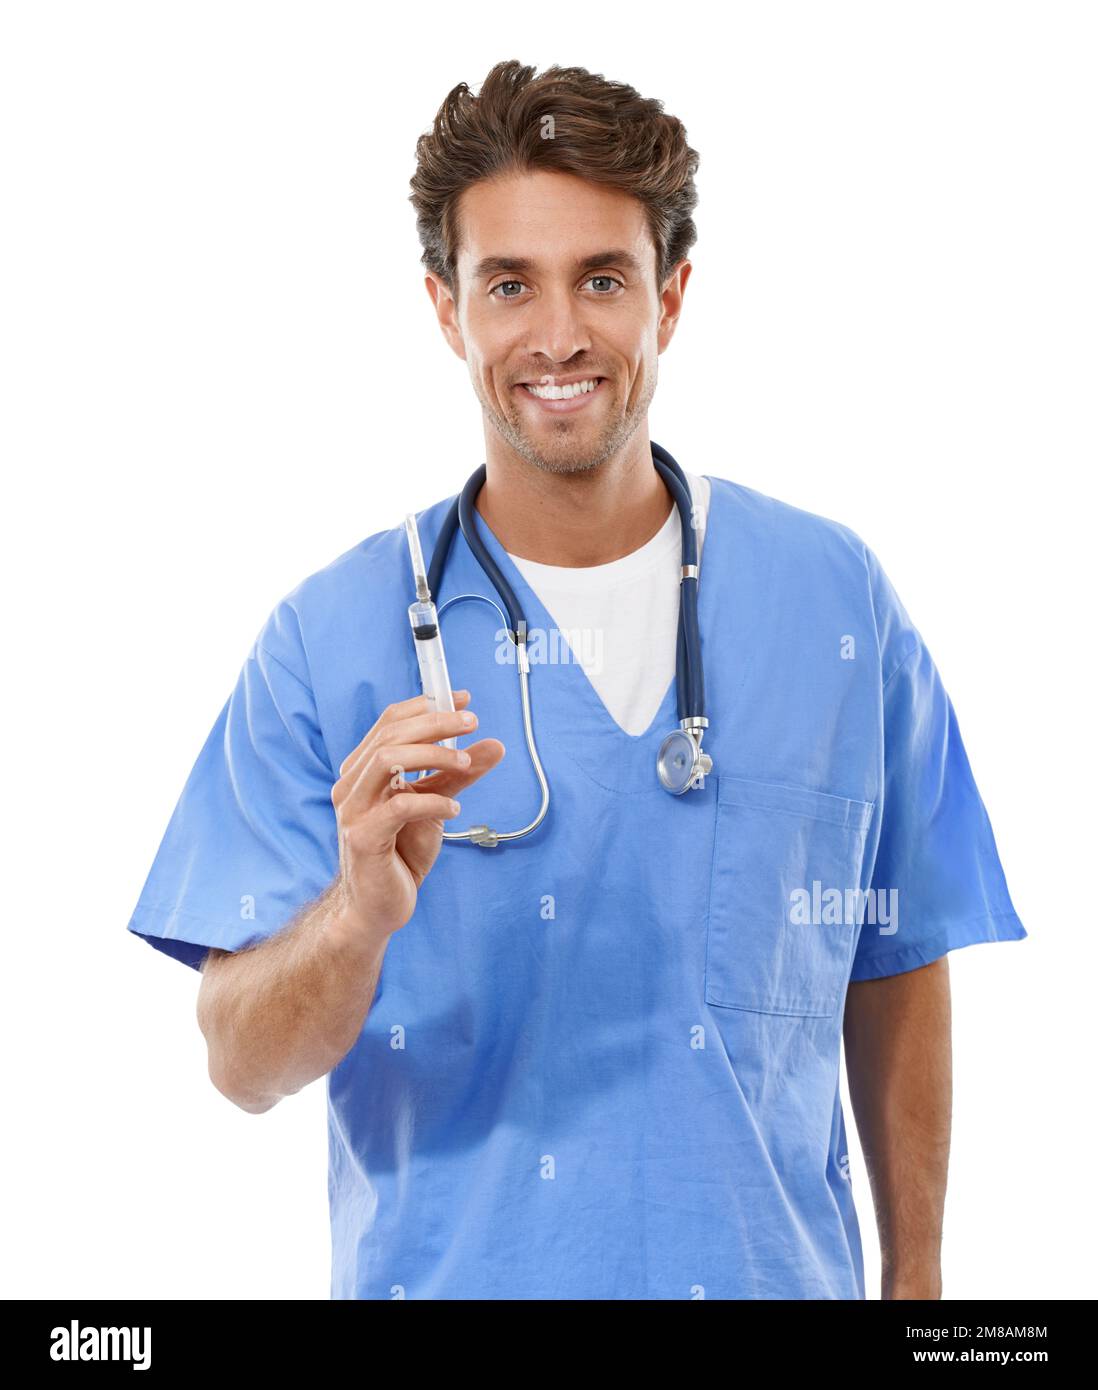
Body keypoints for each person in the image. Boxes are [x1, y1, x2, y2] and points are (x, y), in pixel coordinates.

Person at [126, 59, 1027, 1301]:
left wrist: (918, 1285)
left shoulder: (834, 604)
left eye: (602, 278)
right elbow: (238, 1062)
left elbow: (897, 952)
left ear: (673, 295)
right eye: (509, 285)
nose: (558, 337)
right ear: (448, 310)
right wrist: (354, 918)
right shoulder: (327, 642)